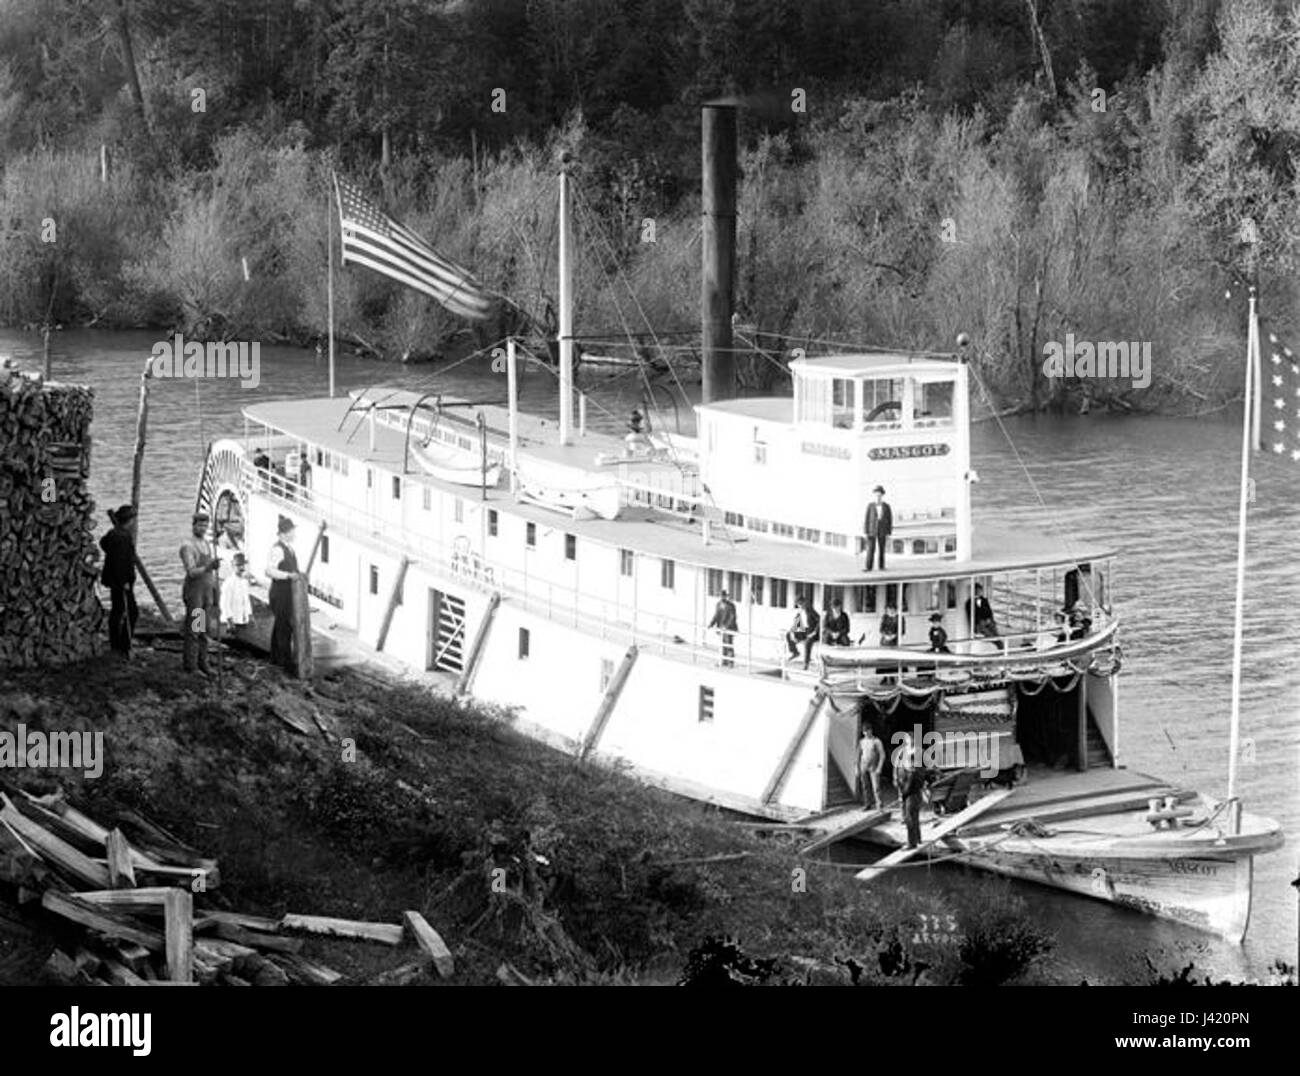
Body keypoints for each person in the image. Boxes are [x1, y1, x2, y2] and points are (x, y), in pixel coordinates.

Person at [179, 511, 221, 676]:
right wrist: (208, 567)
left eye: (205, 525)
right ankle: (192, 665)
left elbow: (211, 574)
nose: (202, 528)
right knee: (195, 629)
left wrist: (216, 592)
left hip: (207, 592)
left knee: (205, 630)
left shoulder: (206, 544)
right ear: (193, 525)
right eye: (200, 525)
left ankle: (204, 663)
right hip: (195, 592)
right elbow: (191, 572)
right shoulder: (188, 546)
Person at [99, 505, 139, 657]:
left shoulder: (113, 534)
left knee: (117, 610)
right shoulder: (123, 537)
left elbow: (103, 543)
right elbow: (123, 562)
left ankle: (115, 642)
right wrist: (125, 581)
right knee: (131, 612)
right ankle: (124, 645)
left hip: (113, 579)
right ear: (129, 520)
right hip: (122, 581)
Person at [266, 516, 301, 673]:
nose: (294, 534)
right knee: (284, 626)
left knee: (281, 625)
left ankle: (276, 658)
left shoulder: (289, 549)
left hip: (288, 592)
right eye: (293, 531)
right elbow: (269, 571)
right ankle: (285, 662)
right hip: (280, 592)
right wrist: (288, 575)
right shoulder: (278, 549)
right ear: (285, 533)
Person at [893, 733, 932, 849]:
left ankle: (911, 843)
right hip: (909, 791)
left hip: (911, 793)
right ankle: (918, 838)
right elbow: (897, 767)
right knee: (914, 816)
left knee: (909, 817)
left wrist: (903, 794)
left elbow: (910, 786)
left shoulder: (914, 770)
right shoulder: (903, 755)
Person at [221, 552, 257, 635]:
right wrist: (230, 621)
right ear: (233, 566)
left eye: (242, 565)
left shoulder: (244, 581)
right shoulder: (228, 583)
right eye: (238, 565)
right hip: (232, 622)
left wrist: (250, 615)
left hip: (243, 620)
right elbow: (225, 604)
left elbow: (246, 601)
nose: (241, 567)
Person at [863, 486, 893, 571]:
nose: (878, 497)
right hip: (872, 530)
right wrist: (866, 532)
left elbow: (890, 520)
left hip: (882, 530)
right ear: (874, 496)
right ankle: (868, 567)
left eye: (879, 495)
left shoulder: (886, 506)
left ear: (882, 496)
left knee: (882, 549)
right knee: (870, 549)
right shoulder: (870, 506)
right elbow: (866, 519)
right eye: (876, 495)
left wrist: (888, 533)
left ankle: (881, 566)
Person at [785, 596, 820, 669]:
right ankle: (795, 652)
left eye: (801, 603)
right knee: (788, 634)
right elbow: (796, 624)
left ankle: (806, 663)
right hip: (804, 631)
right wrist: (792, 633)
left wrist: (815, 632)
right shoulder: (799, 612)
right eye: (798, 604)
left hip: (812, 632)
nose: (800, 605)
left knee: (808, 642)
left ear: (804, 602)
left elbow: (819, 621)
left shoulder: (810, 611)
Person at [858, 722, 885, 809]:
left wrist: (879, 767)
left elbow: (882, 755)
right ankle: (867, 803)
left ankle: (879, 804)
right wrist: (857, 767)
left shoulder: (876, 741)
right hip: (864, 765)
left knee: (876, 787)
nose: (866, 733)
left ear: (871, 731)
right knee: (865, 786)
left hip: (873, 766)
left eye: (867, 731)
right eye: (864, 731)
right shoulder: (861, 742)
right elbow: (858, 755)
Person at [708, 590, 738, 668]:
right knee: (723, 644)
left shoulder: (731, 605)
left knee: (729, 644)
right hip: (721, 627)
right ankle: (724, 661)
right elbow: (716, 615)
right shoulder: (718, 604)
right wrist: (711, 624)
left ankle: (731, 662)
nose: (722, 597)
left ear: (726, 596)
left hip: (729, 628)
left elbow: (733, 617)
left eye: (724, 596)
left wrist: (727, 626)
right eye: (721, 596)